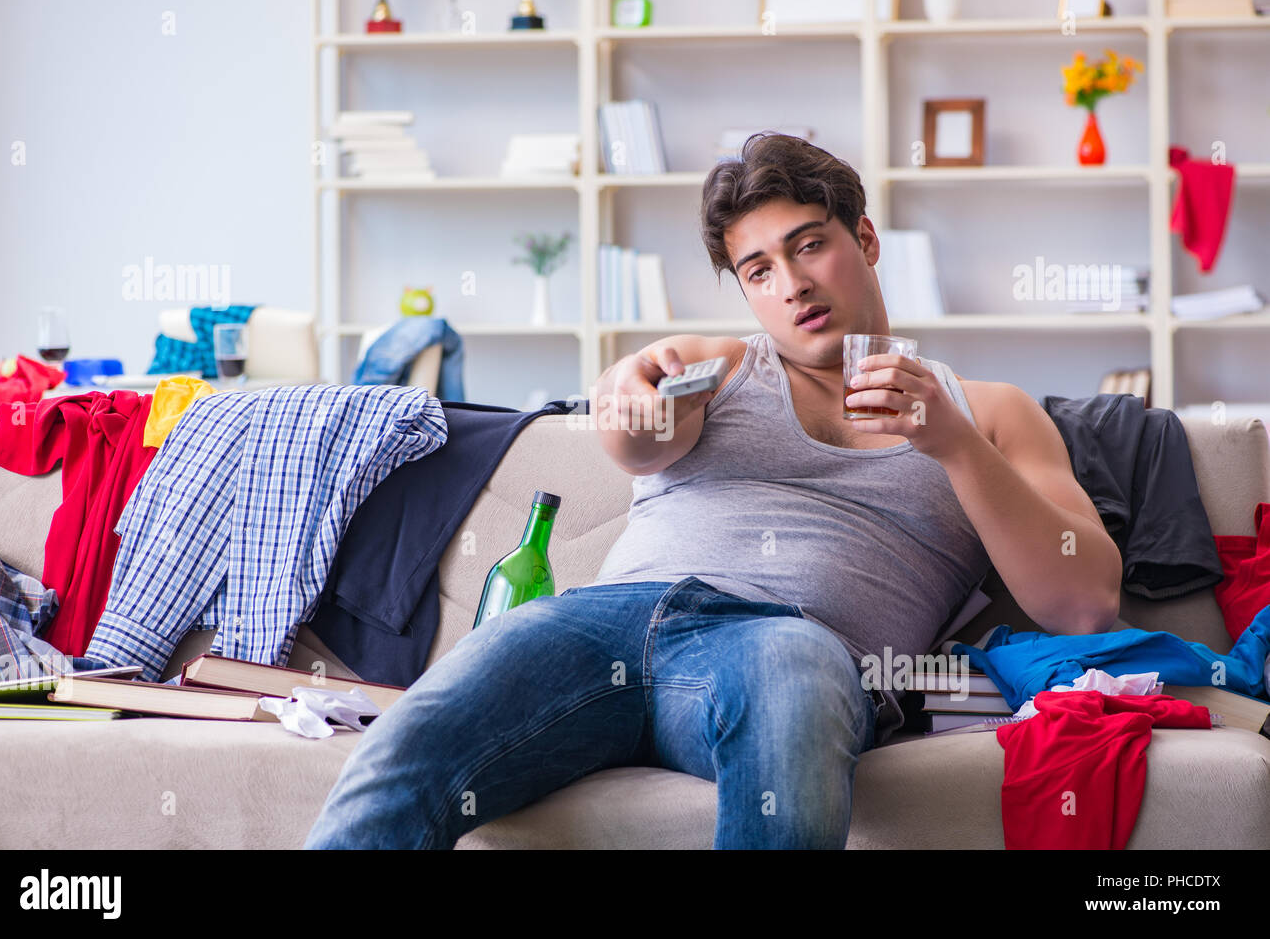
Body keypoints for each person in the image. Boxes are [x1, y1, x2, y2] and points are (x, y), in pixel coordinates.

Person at [303, 132, 1123, 850]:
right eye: (759, 269)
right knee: (404, 749)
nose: (792, 284)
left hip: (789, 644)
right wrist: (628, 389)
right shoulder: (721, 362)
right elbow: (634, 435)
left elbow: (1084, 603)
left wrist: (952, 444)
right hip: (599, 625)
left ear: (866, 238)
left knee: (793, 682)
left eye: (810, 246)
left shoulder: (990, 411)